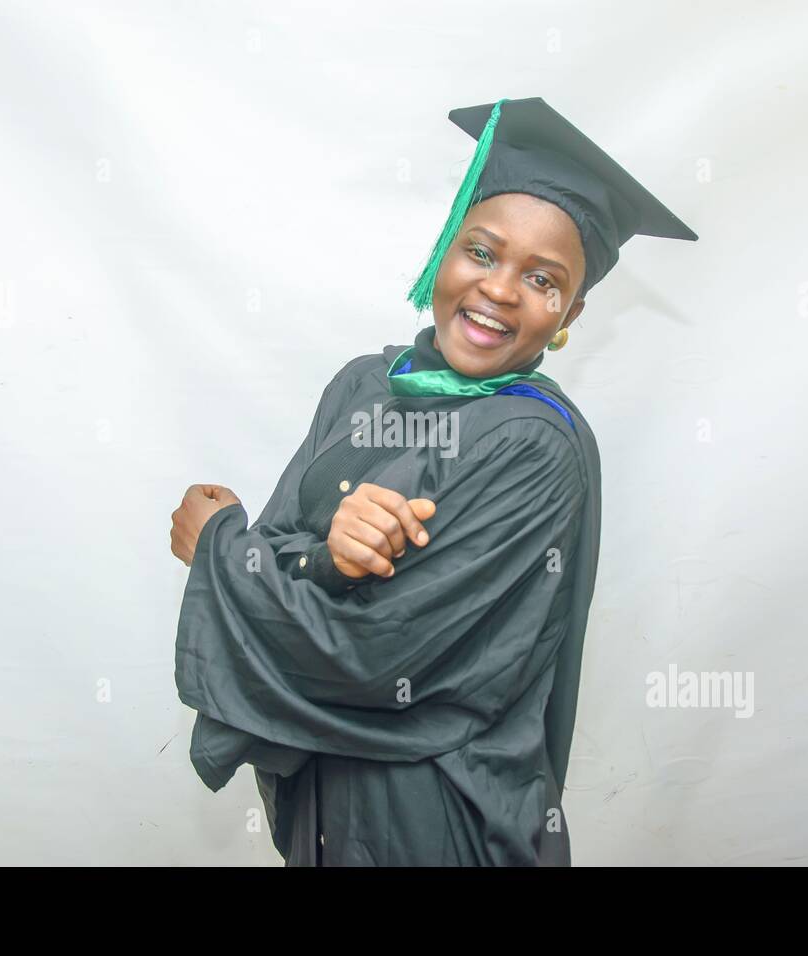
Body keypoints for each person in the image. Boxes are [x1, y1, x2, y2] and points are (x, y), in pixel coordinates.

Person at [170, 97, 697, 865]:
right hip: (325, 808)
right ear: (445, 250)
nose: (501, 289)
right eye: (482, 252)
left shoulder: (532, 445)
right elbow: (287, 548)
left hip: (439, 819)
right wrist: (326, 558)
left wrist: (217, 546)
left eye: (543, 279)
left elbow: (373, 655)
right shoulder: (363, 388)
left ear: (569, 313)